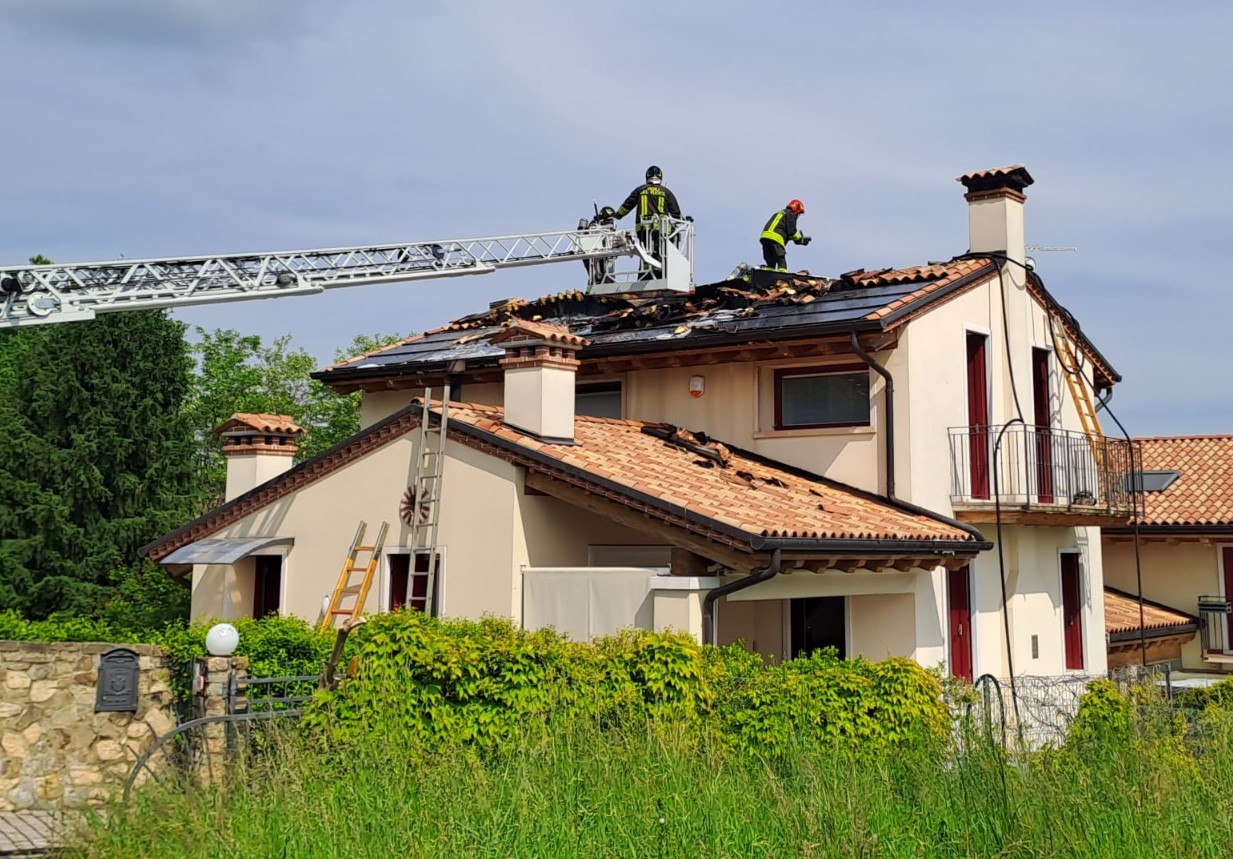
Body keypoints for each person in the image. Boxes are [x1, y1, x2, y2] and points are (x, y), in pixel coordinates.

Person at [609, 165, 682, 278]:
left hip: (643, 229)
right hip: (662, 229)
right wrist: (681, 222)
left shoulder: (640, 190)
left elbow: (627, 206)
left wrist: (616, 216)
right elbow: (676, 213)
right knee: (660, 250)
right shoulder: (666, 192)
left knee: (645, 251)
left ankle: (644, 273)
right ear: (660, 177)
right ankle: (659, 272)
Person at [760, 199, 810, 272]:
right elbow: (791, 231)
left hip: (765, 238)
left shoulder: (779, 213)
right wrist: (800, 239)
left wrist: (795, 240)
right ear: (796, 209)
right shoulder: (791, 214)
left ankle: (769, 271)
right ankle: (782, 273)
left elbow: (783, 231)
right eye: (799, 213)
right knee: (781, 259)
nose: (798, 215)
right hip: (776, 238)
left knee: (770, 259)